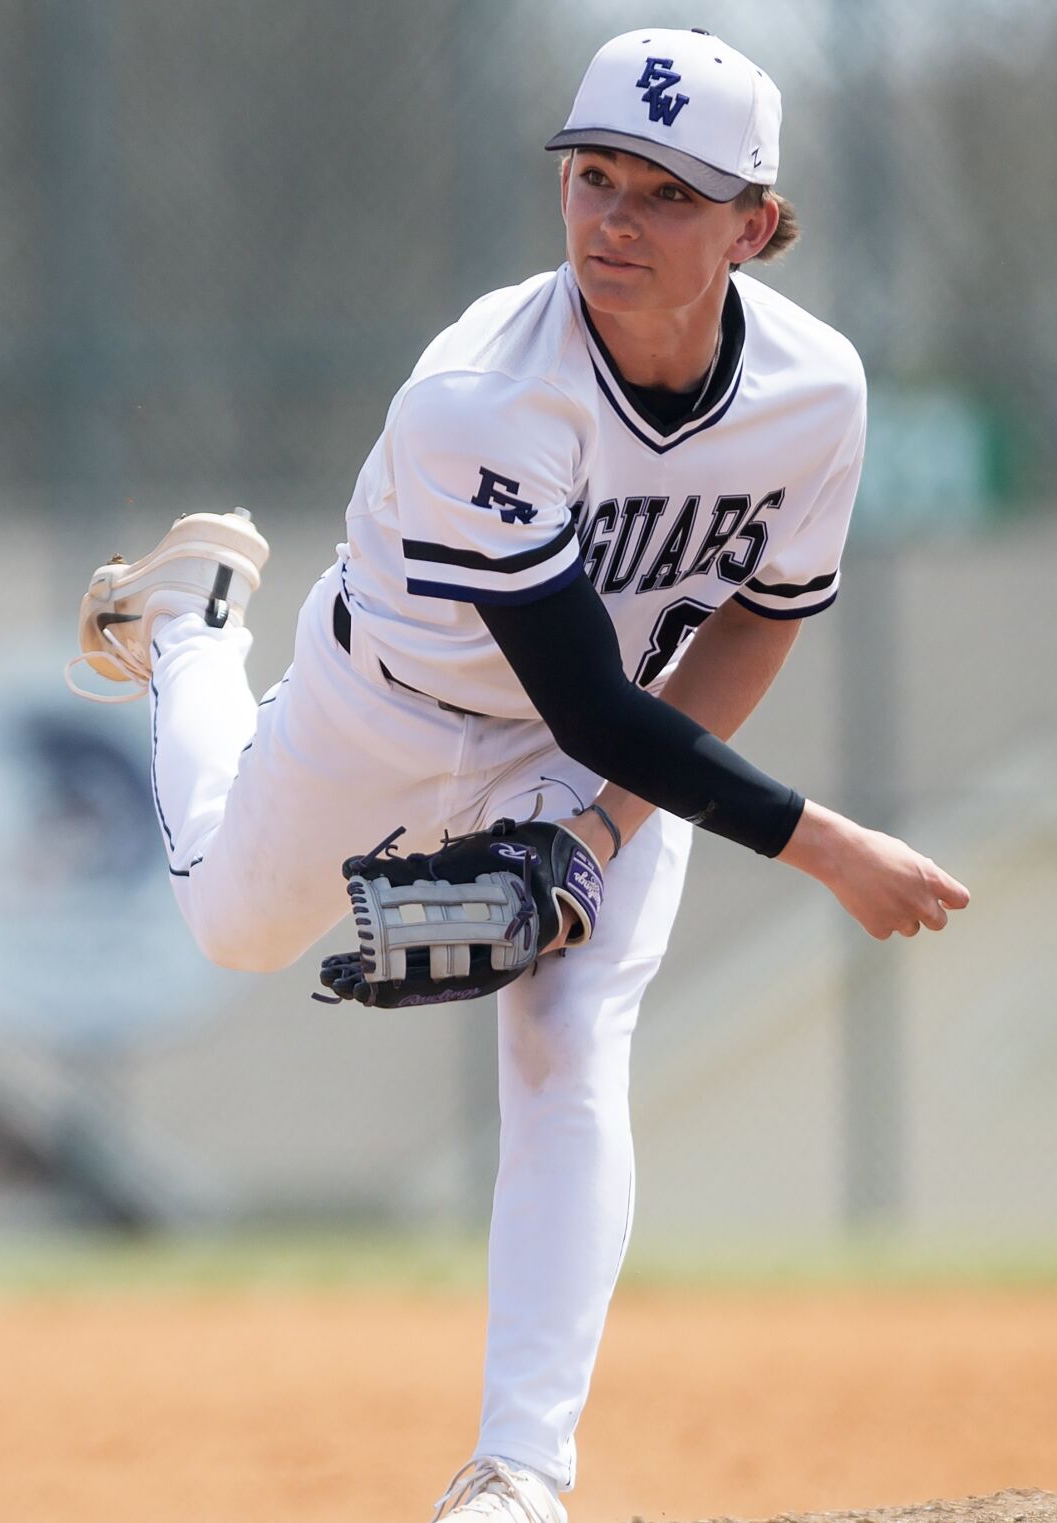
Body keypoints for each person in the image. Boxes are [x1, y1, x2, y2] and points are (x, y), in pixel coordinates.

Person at [67, 28, 969, 1522]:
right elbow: (583, 696)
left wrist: (597, 841)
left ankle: (515, 1477)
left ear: (752, 226)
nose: (612, 218)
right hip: (392, 704)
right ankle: (189, 633)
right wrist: (821, 846)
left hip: (612, 742)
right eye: (591, 176)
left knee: (565, 1044)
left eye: (666, 196)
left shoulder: (818, 387)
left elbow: (754, 620)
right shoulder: (480, 392)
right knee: (230, 925)